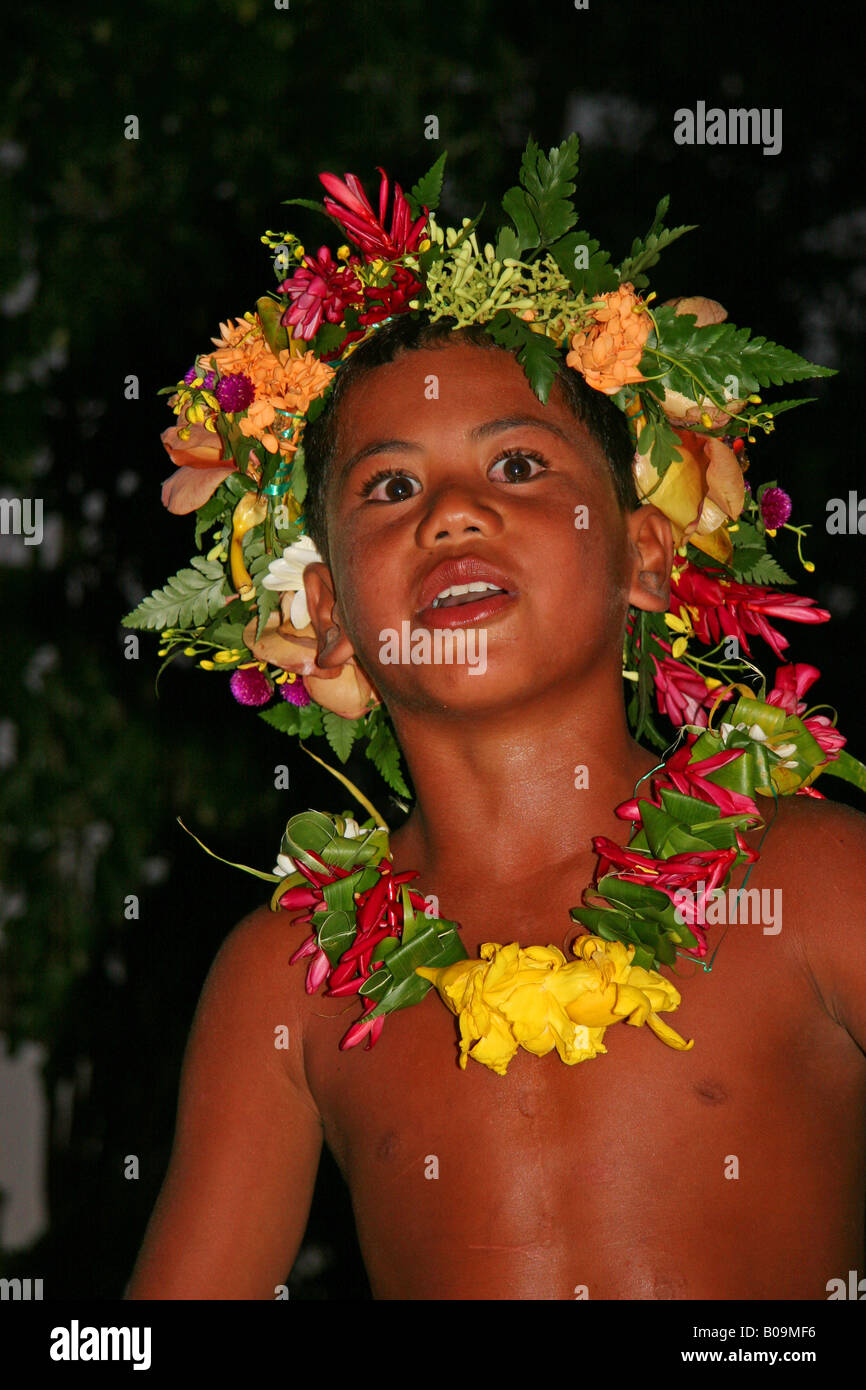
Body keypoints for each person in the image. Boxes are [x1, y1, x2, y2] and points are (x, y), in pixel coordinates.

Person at [124, 141, 866, 1299]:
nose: (455, 513)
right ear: (325, 612)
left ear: (647, 555)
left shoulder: (812, 878)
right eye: (388, 486)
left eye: (517, 464)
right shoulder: (290, 978)